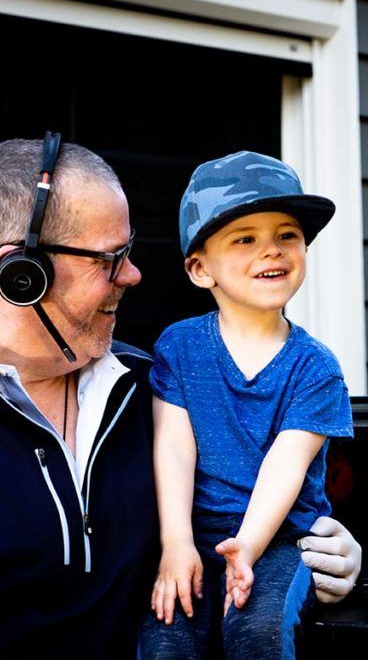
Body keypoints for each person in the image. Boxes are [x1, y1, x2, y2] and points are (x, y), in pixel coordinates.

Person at [0, 137, 361, 658]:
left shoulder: (154, 383)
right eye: (110, 258)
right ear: (22, 274)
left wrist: (329, 555)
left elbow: (250, 505)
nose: (135, 275)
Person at [138, 151, 353, 660]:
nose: (272, 251)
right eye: (245, 239)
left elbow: (287, 466)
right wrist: (175, 542)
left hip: (279, 542)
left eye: (287, 235)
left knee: (256, 633)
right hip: (192, 533)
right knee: (165, 636)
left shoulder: (315, 366)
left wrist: (248, 549)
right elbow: (173, 448)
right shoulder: (180, 347)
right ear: (199, 268)